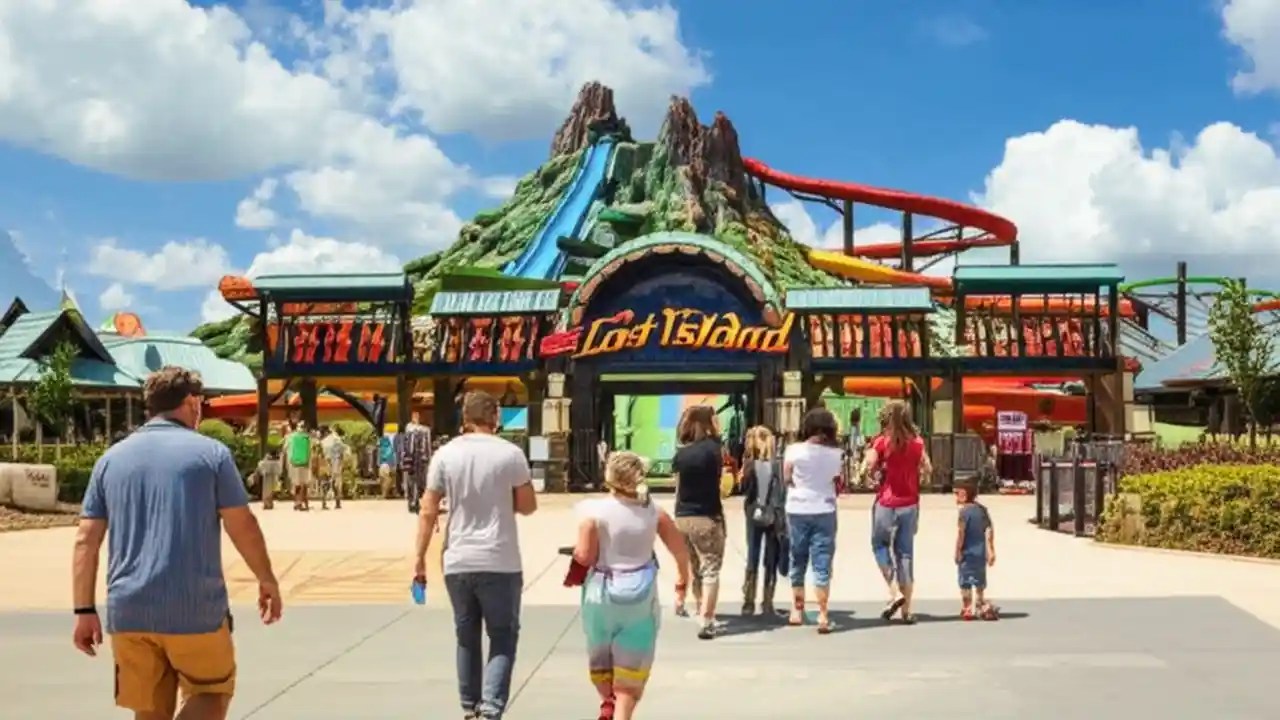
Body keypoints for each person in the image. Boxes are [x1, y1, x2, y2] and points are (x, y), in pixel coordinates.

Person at [71, 366, 282, 720]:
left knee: (149, 709)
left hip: (129, 612)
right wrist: (267, 578)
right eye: (199, 402)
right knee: (211, 692)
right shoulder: (211, 455)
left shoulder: (109, 460)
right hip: (194, 610)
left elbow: (85, 540)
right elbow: (242, 525)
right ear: (190, 403)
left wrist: (83, 611)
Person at [414, 391, 538, 720]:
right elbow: (528, 506)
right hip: (500, 559)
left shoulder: (444, 455)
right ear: (495, 416)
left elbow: (427, 511)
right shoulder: (511, 454)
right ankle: (491, 708)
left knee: (466, 637)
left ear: (464, 418)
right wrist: (501, 499)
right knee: (502, 636)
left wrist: (419, 559)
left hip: (458, 558)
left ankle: (469, 707)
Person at [574, 451, 691, 720]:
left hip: (601, 595)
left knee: (600, 657)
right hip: (639, 597)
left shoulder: (593, 511)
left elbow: (584, 555)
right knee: (631, 673)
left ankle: (607, 702)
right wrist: (682, 579)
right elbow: (679, 551)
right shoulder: (654, 512)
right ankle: (621, 711)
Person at [860, 400, 932, 625]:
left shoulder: (882, 442)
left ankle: (894, 591)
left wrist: (867, 474)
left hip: (886, 503)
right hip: (910, 503)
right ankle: (907, 611)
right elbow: (928, 469)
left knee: (880, 545)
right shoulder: (918, 443)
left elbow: (867, 467)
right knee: (905, 553)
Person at [783, 407, 842, 634]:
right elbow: (838, 481)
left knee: (797, 558)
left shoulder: (793, 450)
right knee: (822, 560)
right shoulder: (836, 454)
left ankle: (797, 610)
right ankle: (823, 613)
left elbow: (787, 477)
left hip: (797, 507)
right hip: (825, 508)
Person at [670, 404, 725, 640]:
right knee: (711, 567)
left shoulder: (681, 453)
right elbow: (719, 479)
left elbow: (678, 487)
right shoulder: (714, 449)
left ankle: (699, 604)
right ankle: (707, 619)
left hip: (683, 516)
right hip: (707, 515)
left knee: (695, 567)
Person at [739, 425, 788, 616]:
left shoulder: (749, 464)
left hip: (753, 513)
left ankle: (748, 602)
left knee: (753, 554)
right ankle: (767, 601)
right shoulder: (778, 464)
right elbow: (782, 492)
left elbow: (744, 489)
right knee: (771, 557)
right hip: (774, 514)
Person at [955, 480, 998, 621]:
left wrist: (957, 551)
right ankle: (980, 605)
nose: (956, 496)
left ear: (965, 494)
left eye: (958, 493)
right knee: (979, 583)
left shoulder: (963, 513)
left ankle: (967, 607)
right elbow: (989, 530)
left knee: (965, 582)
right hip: (980, 553)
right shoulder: (982, 510)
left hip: (967, 553)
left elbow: (961, 533)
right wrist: (990, 550)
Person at [285, 421, 313, 511]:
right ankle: (303, 503)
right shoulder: (307, 437)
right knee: (304, 484)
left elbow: (285, 449)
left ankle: (296, 503)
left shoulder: (290, 437)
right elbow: (310, 451)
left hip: (294, 464)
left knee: (296, 484)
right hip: (305, 464)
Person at [320, 425, 347, 510]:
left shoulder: (323, 441)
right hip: (336, 462)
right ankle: (337, 503)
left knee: (325, 482)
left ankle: (324, 503)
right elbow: (343, 450)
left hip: (326, 463)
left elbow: (321, 454)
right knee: (336, 483)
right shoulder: (337, 439)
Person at [844, 407, 865, 490]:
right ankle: (854, 483)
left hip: (850, 451)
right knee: (855, 467)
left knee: (851, 467)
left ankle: (851, 483)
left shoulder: (849, 429)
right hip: (855, 451)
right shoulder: (858, 429)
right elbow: (860, 442)